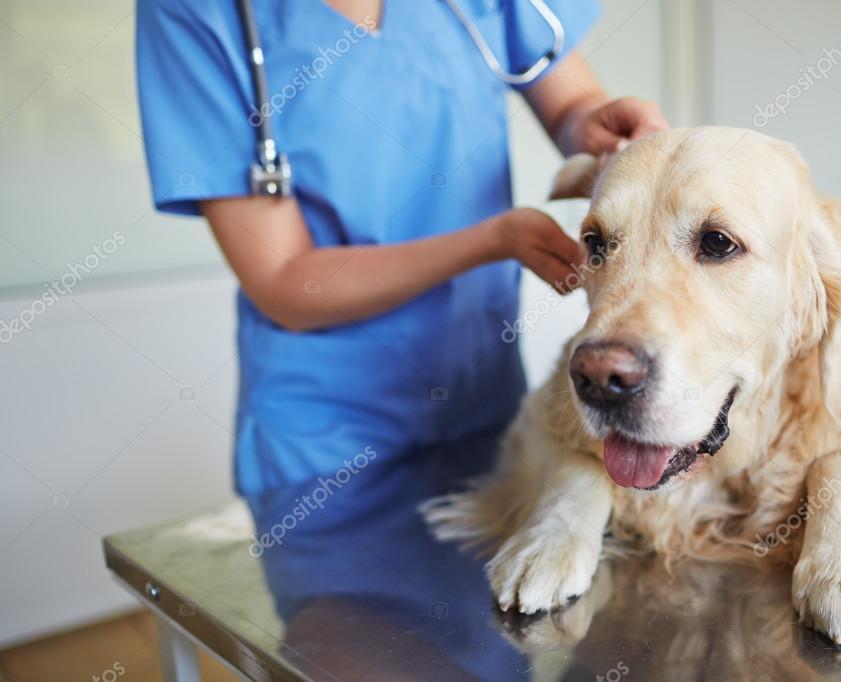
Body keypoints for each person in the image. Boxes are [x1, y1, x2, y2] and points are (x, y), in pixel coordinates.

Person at [136, 0, 668, 509]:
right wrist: (493, 240)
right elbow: (284, 279)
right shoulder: (198, 10)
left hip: (482, 389)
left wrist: (591, 122)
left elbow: (573, 107)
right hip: (329, 433)